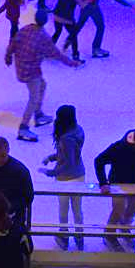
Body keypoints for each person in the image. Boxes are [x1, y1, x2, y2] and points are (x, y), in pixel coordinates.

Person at [5, 10, 82, 142]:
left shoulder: (26, 29)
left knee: (42, 85)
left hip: (22, 68)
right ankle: (23, 127)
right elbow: (56, 53)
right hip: (31, 71)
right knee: (33, 97)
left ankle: (39, 114)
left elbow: (13, 42)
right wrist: (71, 63)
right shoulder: (43, 37)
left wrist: (8, 56)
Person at [40, 105, 86, 250]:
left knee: (63, 210)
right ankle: (79, 238)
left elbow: (68, 164)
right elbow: (70, 155)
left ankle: (64, 236)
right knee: (77, 210)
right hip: (80, 175)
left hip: (65, 179)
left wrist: (50, 172)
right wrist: (52, 157)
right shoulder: (78, 130)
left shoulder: (66, 138)